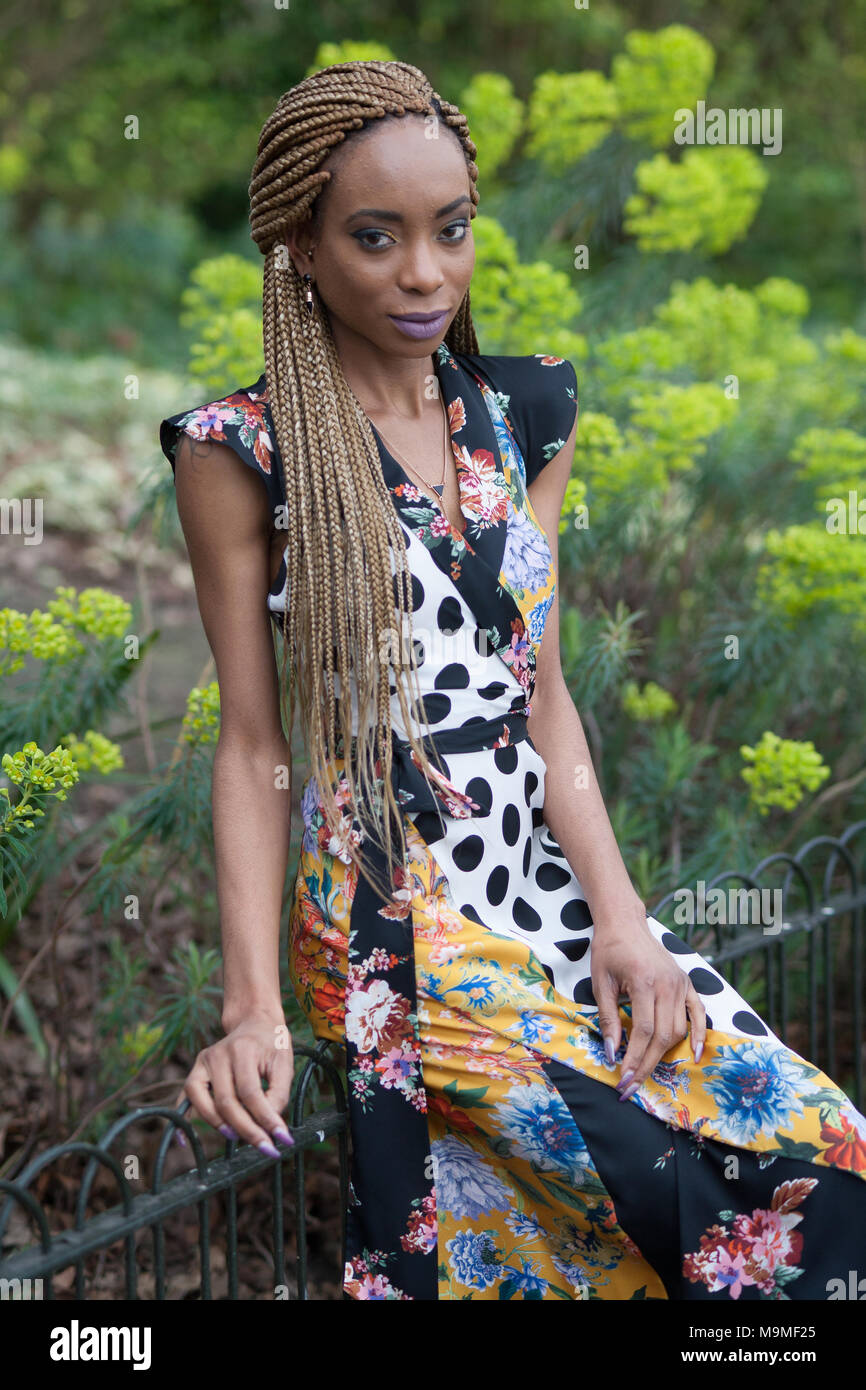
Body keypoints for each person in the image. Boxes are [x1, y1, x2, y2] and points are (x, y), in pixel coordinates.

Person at [160, 59, 866, 1301]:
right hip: (398, 922)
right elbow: (249, 742)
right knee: (672, 1196)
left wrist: (625, 917)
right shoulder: (244, 451)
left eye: (450, 231)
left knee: (826, 1148)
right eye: (374, 239)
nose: (424, 273)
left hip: (535, 882)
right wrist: (252, 1007)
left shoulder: (521, 407)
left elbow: (539, 693)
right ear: (300, 248)